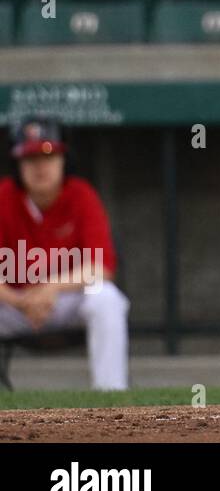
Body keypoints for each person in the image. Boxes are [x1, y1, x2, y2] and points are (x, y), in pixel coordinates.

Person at [0, 117, 129, 391]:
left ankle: (111, 394)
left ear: (63, 161)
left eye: (48, 156)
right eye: (30, 158)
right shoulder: (4, 198)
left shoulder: (81, 195)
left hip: (65, 302)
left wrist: (49, 288)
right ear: (17, 165)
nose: (40, 167)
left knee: (106, 297)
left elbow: (100, 267)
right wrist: (21, 300)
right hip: (15, 305)